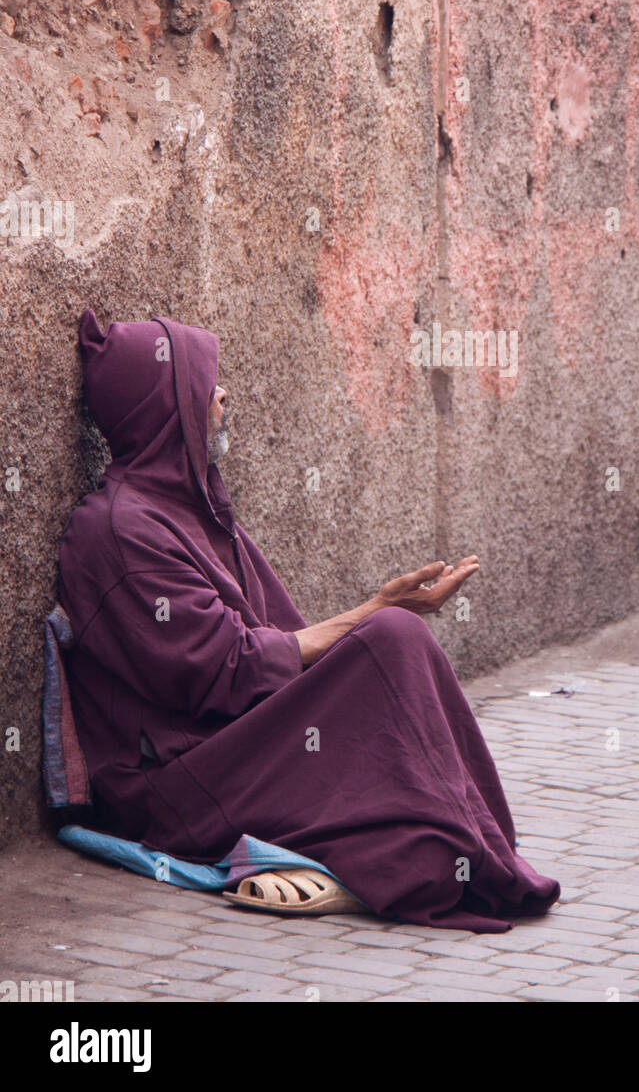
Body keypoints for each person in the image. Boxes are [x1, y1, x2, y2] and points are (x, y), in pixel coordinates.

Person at [56, 308, 561, 932]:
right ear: (165, 407)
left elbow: (274, 645)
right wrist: (376, 613)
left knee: (395, 657)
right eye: (206, 387)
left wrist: (374, 621)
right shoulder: (119, 530)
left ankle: (469, 848)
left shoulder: (192, 508)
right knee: (393, 641)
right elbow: (229, 670)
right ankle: (416, 861)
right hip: (173, 784)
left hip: (235, 739)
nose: (222, 398)